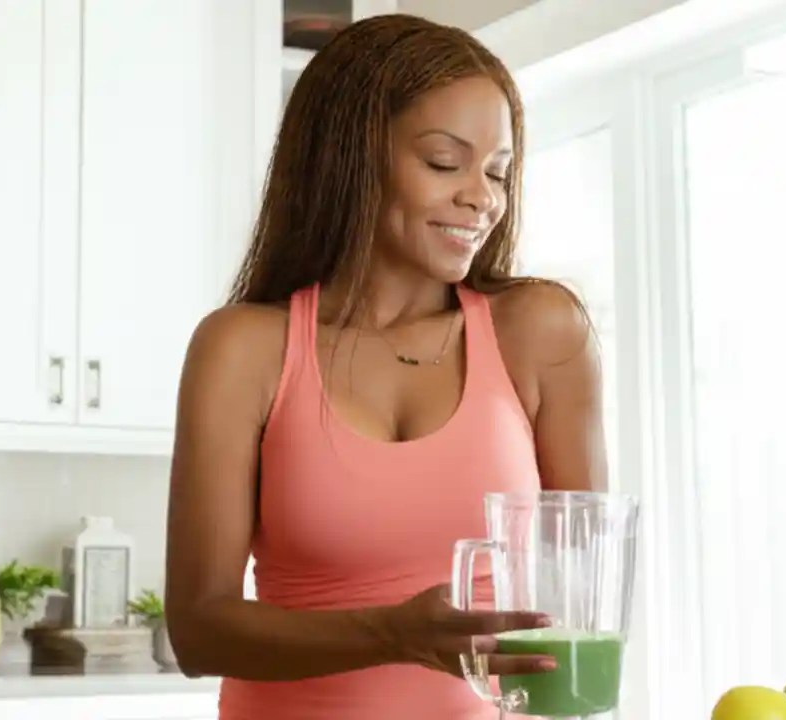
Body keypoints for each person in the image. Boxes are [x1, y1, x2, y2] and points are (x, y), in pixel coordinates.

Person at [164, 13, 607, 720]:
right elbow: (197, 630)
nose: (482, 197)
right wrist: (391, 633)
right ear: (352, 156)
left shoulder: (540, 332)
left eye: (498, 172)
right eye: (443, 162)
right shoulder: (244, 349)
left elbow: (585, 598)